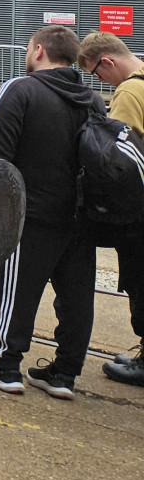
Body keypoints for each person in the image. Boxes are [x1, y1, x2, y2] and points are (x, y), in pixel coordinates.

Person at [0, 24, 100, 398]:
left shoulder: (21, 90)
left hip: (30, 215)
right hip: (81, 219)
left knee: (18, 290)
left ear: (38, 51)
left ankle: (7, 366)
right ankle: (65, 374)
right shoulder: (92, 99)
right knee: (76, 296)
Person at [77, 29, 144, 386]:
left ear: (107, 61)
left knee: (140, 278)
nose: (98, 80)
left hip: (140, 211)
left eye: (95, 73)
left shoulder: (130, 90)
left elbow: (117, 159)